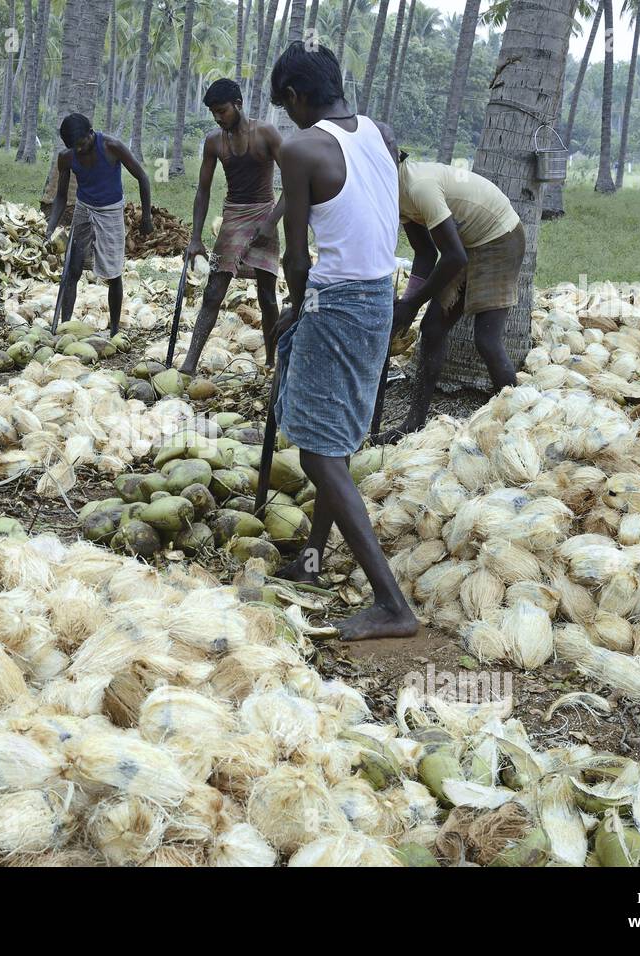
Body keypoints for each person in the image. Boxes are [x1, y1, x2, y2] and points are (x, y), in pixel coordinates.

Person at [266, 42, 418, 642]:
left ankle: (392, 604)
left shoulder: (302, 147)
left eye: (287, 105)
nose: (288, 118)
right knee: (336, 438)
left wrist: (297, 310)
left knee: (316, 452)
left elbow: (297, 255)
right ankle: (312, 558)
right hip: (379, 294)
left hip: (338, 301)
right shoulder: (378, 131)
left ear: (297, 97)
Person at [372, 154, 525, 443]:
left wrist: (412, 305)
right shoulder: (398, 192)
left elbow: (453, 257)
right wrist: (407, 304)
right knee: (432, 329)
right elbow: (426, 253)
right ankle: (413, 423)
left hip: (500, 238)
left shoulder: (419, 187)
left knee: (487, 340)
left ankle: (517, 425)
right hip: (468, 244)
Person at [178, 79, 283, 376]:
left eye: (222, 111)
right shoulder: (214, 141)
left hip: (264, 212)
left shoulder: (266, 133)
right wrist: (196, 238)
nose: (218, 118)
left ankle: (272, 360)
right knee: (213, 291)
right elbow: (203, 191)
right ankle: (189, 362)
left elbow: (293, 184)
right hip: (233, 216)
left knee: (266, 294)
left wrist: (272, 221)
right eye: (213, 113)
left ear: (238, 103)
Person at [45, 113, 153, 335]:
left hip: (111, 211)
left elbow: (142, 177)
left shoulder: (111, 147)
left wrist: (147, 218)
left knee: (112, 273)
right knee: (71, 270)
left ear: (91, 133)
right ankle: (65, 325)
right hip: (84, 209)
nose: (80, 150)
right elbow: (61, 197)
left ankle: (114, 330)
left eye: (83, 144)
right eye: (75, 147)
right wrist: (50, 226)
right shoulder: (66, 157)